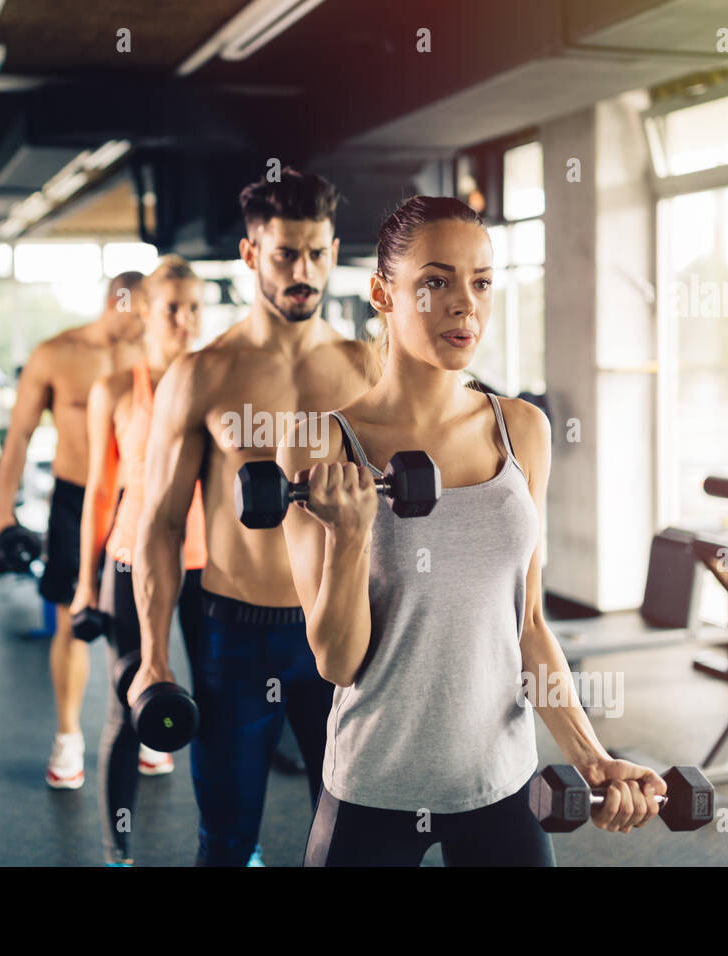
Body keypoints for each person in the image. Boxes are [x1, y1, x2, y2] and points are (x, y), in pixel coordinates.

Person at [278, 196, 667, 866]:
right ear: (383, 293)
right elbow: (336, 663)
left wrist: (592, 757)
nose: (465, 305)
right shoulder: (322, 445)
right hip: (375, 783)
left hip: (500, 783)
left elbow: (529, 623)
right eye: (434, 281)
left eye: (481, 281)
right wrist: (348, 538)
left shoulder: (523, 430)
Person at [127, 169, 377, 866]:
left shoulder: (366, 369)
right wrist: (151, 656)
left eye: (319, 254)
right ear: (249, 256)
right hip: (232, 636)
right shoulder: (204, 374)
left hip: (343, 629)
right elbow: (160, 523)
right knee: (229, 838)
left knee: (357, 833)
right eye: (285, 255)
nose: (305, 272)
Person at [70, 255, 208, 865]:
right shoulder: (115, 389)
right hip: (128, 561)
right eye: (172, 307)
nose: (184, 320)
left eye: (195, 307)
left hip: (209, 564)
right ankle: (117, 850)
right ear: (147, 311)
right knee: (129, 702)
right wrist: (83, 586)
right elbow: (99, 493)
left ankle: (232, 842)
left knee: (223, 703)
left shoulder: (217, 384)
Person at [0, 271, 147, 789]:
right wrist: (2, 512)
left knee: (140, 618)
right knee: (71, 618)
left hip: (134, 499)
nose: (144, 320)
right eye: (137, 310)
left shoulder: (152, 354)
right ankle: (67, 738)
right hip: (75, 500)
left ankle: (141, 723)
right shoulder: (56, 354)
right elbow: (19, 437)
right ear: (113, 302)